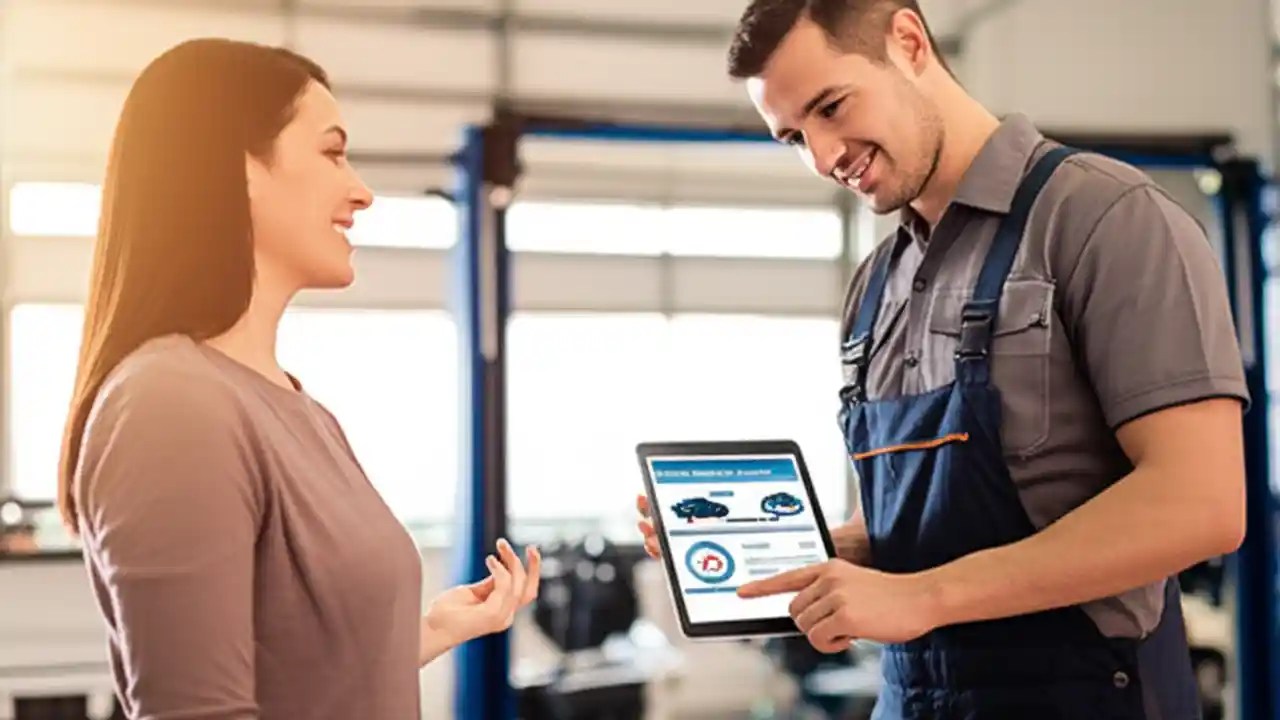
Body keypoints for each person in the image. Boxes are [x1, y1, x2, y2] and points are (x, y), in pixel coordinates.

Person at [639, 1, 1247, 717]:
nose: (825, 156)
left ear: (908, 40)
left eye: (832, 106)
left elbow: (1201, 506)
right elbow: (927, 518)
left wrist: (920, 597)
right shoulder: (874, 288)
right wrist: (828, 553)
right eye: (793, 138)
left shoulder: (1106, 222)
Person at [56, 38, 539, 720]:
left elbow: (301, 671)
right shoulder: (172, 404)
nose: (361, 191)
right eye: (332, 152)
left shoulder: (296, 405)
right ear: (237, 166)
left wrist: (434, 628)